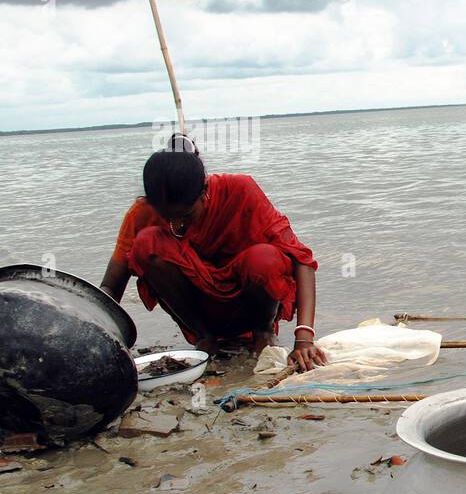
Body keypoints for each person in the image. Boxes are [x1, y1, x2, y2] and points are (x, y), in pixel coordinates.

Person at [100, 135, 328, 372]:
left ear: (205, 191)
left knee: (264, 258)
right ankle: (204, 338)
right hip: (198, 315)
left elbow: (302, 261)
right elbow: (110, 287)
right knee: (146, 243)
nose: (177, 224)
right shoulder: (142, 212)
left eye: (186, 215)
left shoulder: (240, 190)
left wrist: (304, 339)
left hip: (248, 307)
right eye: (167, 217)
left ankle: (264, 333)